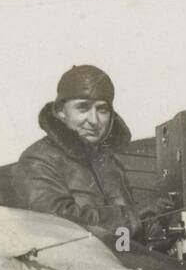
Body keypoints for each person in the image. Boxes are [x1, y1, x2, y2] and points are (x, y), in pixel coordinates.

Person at [13, 64, 165, 247]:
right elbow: (56, 223)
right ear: (61, 111)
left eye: (102, 109)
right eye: (83, 108)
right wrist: (131, 216)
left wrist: (152, 230)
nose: (94, 121)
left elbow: (123, 242)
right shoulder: (38, 160)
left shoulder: (109, 164)